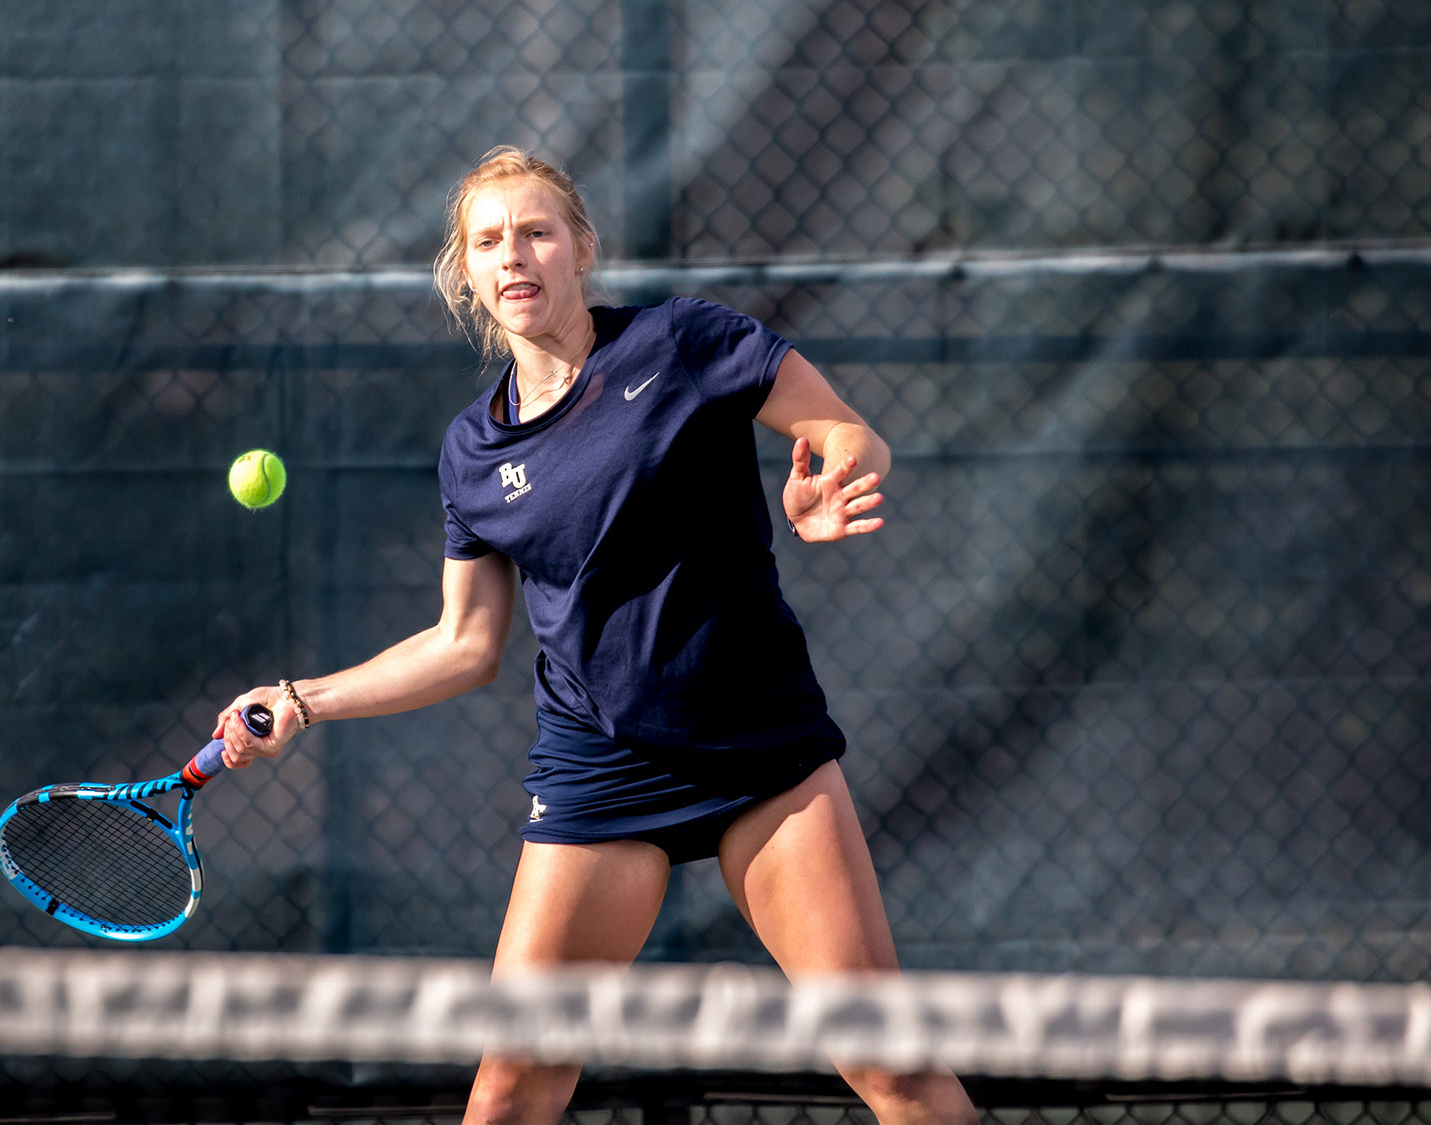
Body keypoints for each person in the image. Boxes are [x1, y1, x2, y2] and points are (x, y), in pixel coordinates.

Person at [212, 146, 978, 1125]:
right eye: (487, 241)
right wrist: (305, 698)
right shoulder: (472, 451)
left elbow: (844, 430)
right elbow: (462, 642)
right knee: (510, 1087)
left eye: (535, 232)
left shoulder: (682, 343)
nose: (513, 255)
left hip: (760, 754)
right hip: (600, 766)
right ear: (467, 274)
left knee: (890, 1068)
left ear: (578, 248)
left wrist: (828, 471)